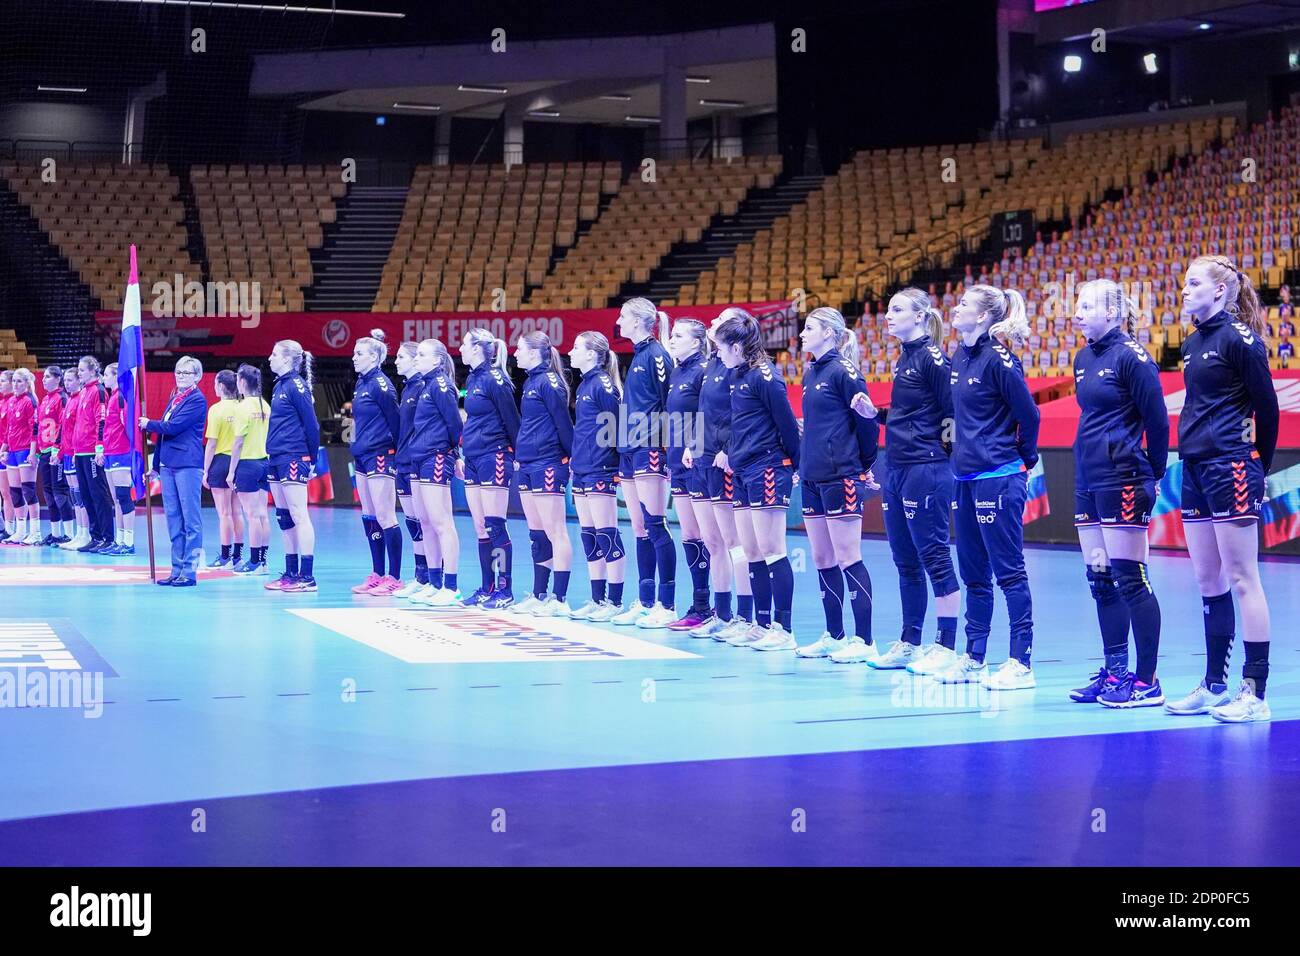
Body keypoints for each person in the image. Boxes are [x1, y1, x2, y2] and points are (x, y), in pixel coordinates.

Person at [1165, 256, 1279, 723]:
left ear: (1219, 292)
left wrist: (1258, 470)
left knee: (1242, 578)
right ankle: (1214, 685)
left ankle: (1255, 691)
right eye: (1184, 282)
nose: (1184, 290)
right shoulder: (1192, 342)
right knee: (1207, 579)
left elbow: (1268, 410)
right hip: (1193, 468)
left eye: (1194, 283)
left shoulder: (1240, 340)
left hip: (1231, 465)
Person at [1068, 280, 1169, 707]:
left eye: (1087, 305)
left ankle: (1146, 681)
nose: (1077, 312)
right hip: (1088, 480)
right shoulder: (1082, 357)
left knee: (1131, 577)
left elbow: (1159, 421)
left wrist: (1155, 473)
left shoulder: (1133, 358)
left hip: (1123, 477)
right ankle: (1114, 673)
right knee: (1100, 577)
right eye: (1076, 304)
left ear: (1113, 313)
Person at [935, 285, 1040, 690]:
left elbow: (1029, 415)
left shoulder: (1000, 360)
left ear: (982, 317)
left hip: (999, 476)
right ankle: (974, 655)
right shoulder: (960, 356)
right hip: (964, 477)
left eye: (963, 305)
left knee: (1008, 571)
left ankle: (1021, 662)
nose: (956, 309)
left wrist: (1024, 459)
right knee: (973, 572)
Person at [857, 289, 961, 672]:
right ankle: (910, 641)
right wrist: (877, 415)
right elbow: (913, 413)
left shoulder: (934, 359)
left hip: (926, 469)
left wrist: (942, 459)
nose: (888, 315)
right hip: (897, 468)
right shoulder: (904, 359)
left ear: (920, 316)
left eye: (897, 310)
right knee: (905, 560)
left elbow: (951, 415)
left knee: (934, 555)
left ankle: (946, 646)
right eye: (887, 309)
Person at [787, 307, 882, 661]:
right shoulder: (812, 372)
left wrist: (863, 466)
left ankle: (865, 640)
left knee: (847, 556)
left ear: (829, 332)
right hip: (812, 476)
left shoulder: (845, 373)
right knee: (822, 557)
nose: (802, 334)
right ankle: (835, 634)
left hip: (841, 475)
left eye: (809, 328)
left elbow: (868, 424)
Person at [714, 309, 802, 650]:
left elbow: (787, 425)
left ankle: (784, 628)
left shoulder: (765, 376)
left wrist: (794, 467)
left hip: (768, 467)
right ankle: (761, 622)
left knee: (771, 549)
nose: (719, 354)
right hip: (743, 469)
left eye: (722, 348)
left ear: (737, 347)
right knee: (750, 548)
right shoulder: (737, 375)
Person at [682, 311, 754, 641]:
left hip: (724, 461)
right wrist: (692, 445)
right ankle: (721, 613)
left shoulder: (735, 365)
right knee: (713, 542)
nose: (712, 323)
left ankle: (744, 615)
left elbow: (739, 412)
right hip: (703, 458)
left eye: (720, 321)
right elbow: (704, 410)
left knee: (734, 542)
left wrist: (728, 447)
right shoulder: (712, 363)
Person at [611, 298, 677, 627]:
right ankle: (646, 599)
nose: (618, 321)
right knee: (638, 527)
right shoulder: (636, 356)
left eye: (623, 316)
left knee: (654, 524)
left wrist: (671, 449)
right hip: (629, 448)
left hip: (650, 446)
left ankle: (666, 604)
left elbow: (671, 402)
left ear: (638, 321)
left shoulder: (657, 355)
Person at [511, 330, 575, 616]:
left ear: (534, 352)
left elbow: (564, 424)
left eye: (520, 349)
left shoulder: (549, 383)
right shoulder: (531, 382)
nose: (515, 353)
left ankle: (559, 599)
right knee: (537, 534)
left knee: (555, 531)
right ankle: (539, 595)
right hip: (527, 464)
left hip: (548, 463)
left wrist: (570, 457)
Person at [458, 327, 521, 608]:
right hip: (472, 458)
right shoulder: (473, 379)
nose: (459, 348)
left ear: (476, 348)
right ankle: (487, 587)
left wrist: (518, 454)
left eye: (463, 344)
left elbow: (512, 420)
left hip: (494, 456)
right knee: (480, 527)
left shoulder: (496, 380)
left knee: (495, 525)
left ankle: (505, 590)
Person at [567, 330, 627, 621]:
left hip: (600, 468)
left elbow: (617, 427)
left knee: (607, 534)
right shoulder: (584, 385)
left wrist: (613, 466)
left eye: (576, 347)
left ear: (592, 354)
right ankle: (597, 599)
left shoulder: (603, 385)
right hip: (581, 468)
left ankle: (614, 602)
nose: (570, 352)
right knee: (589, 536)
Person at [139, 356, 208, 586]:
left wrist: (149, 423)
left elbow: (174, 427)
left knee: (191, 519)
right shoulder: (175, 397)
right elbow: (163, 436)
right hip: (169, 465)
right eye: (178, 372)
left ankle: (189, 571)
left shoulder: (197, 400)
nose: (180, 376)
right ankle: (176, 568)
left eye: (186, 373)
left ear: (197, 376)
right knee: (173, 519)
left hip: (187, 464)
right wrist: (156, 465)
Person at [663, 317, 713, 630]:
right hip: (678, 463)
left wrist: (692, 448)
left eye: (678, 335)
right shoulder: (677, 370)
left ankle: (713, 608)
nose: (672, 339)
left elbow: (709, 416)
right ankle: (699, 605)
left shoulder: (702, 371)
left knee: (710, 537)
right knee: (690, 535)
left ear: (696, 342)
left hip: (696, 462)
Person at [407, 338, 465, 607]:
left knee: (442, 522)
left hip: (435, 457)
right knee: (426, 522)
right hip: (419, 457)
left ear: (437, 360)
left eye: (421, 354)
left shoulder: (442, 386)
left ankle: (451, 586)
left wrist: (452, 454)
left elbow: (454, 424)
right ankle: (434, 581)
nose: (416, 358)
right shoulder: (426, 385)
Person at [349, 330, 404, 595]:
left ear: (374, 356)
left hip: (381, 453)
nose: (353, 357)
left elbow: (396, 421)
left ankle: (394, 577)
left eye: (359, 353)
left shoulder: (382, 385)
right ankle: (377, 573)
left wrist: (397, 454)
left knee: (385, 515)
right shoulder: (361, 384)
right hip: (362, 454)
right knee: (369, 515)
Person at [263, 340, 320, 593]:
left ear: (287, 360)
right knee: (284, 517)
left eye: (274, 354)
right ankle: (291, 572)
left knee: (299, 514)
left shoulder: (297, 386)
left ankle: (307, 577)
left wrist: (310, 460)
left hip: (293, 456)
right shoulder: (280, 385)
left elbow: (312, 425)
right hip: (276, 456)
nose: (270, 358)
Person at [392, 342, 435, 600]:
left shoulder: (421, 387)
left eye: (401, 357)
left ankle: (432, 575)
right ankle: (421, 575)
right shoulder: (408, 388)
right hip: (403, 461)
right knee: (413, 523)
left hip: (417, 462)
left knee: (425, 521)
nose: (396, 361)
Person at [227, 364, 272, 575]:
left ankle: (254, 562)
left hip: (247, 464)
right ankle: (263, 561)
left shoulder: (242, 407)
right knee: (262, 515)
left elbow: (237, 443)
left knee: (252, 515)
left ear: (243, 382)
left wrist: (230, 471)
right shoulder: (265, 405)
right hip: (264, 463)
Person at [72, 356, 116, 553]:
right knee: (87, 495)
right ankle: (95, 536)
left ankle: (107, 537)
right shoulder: (83, 391)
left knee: (98, 494)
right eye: (79, 370)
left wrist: (99, 447)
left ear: (92, 371)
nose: (79, 373)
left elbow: (101, 420)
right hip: (80, 451)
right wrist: (75, 450)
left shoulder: (98, 391)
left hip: (91, 451)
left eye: (82, 370)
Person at [201, 369, 244, 568]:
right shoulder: (243, 407)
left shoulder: (216, 409)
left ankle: (225, 557)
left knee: (224, 513)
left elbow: (211, 444)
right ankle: (238, 556)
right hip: (239, 462)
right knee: (237, 512)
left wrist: (205, 470)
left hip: (220, 462)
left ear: (221, 386)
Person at [98, 363, 138, 555]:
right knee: (116, 499)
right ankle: (119, 540)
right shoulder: (112, 397)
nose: (104, 378)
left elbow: (128, 426)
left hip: (121, 452)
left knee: (123, 496)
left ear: (116, 377)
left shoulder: (121, 397)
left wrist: (131, 451)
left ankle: (128, 543)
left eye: (106, 374)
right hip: (110, 452)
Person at [0, 368, 41, 545]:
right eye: (14, 381)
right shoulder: (10, 402)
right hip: (12, 451)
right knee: (15, 492)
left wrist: (33, 453)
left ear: (26, 383)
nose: (15, 385)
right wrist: (4, 449)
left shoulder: (30, 401)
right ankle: (20, 531)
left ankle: (36, 532)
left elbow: (35, 429)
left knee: (29, 491)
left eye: (19, 381)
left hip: (25, 450)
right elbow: (8, 430)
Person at [36, 366, 73, 546]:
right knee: (48, 493)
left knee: (59, 492)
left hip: (56, 451)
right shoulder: (44, 399)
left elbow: (64, 426)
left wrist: (58, 449)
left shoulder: (62, 398)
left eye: (47, 377)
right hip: (44, 451)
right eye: (43, 377)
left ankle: (68, 534)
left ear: (58, 379)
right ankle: (56, 533)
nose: (43, 380)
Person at [56, 371, 90, 550]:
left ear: (79, 381)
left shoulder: (80, 400)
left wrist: (76, 450)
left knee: (80, 495)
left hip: (77, 452)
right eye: (65, 380)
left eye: (70, 380)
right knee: (74, 494)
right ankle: (79, 533)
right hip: (68, 453)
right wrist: (60, 452)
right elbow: (65, 430)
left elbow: (81, 428)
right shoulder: (69, 400)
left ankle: (86, 533)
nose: (66, 383)